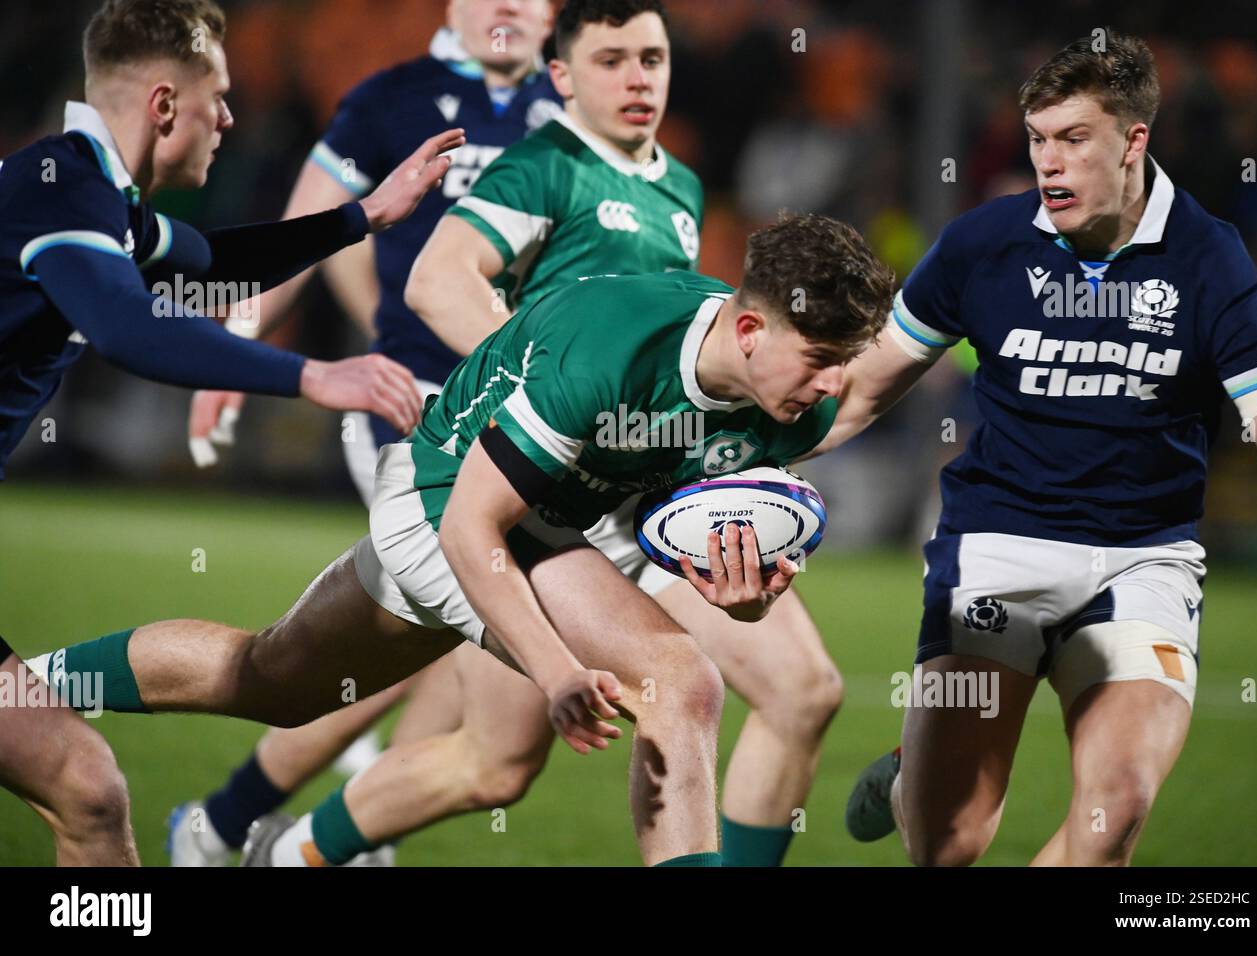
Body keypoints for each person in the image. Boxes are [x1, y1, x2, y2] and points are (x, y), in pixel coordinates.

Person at [29, 212, 897, 867]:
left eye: (843, 363)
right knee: (680, 680)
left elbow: (666, 516)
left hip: (546, 519)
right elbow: (471, 523)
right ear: (748, 330)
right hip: (445, 499)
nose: (832, 387)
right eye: (820, 358)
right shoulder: (608, 350)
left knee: (271, 680)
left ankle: (22, 688)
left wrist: (742, 602)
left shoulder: (783, 402)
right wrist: (556, 671)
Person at [0, 0, 459, 864]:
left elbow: (214, 262)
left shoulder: (95, 201)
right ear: (165, 104)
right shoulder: (59, 190)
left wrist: (363, 216)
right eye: (219, 98)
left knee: (85, 791)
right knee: (85, 786)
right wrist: (312, 375)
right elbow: (129, 328)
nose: (231, 119)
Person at [842, 31, 1257, 866]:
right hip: (997, 547)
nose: (1049, 164)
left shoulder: (1208, 257)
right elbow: (862, 389)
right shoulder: (984, 243)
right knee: (948, 843)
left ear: (1133, 141)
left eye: (1074, 138)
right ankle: (914, 777)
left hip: (1143, 560)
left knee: (1112, 813)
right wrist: (747, 465)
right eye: (1037, 139)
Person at [169, 0, 560, 867]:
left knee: (408, 643)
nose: (509, 6)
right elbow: (302, 234)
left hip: (538, 420)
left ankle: (235, 826)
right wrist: (232, 354)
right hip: (414, 404)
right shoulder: (392, 97)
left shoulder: (577, 109)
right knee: (466, 633)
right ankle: (301, 837)